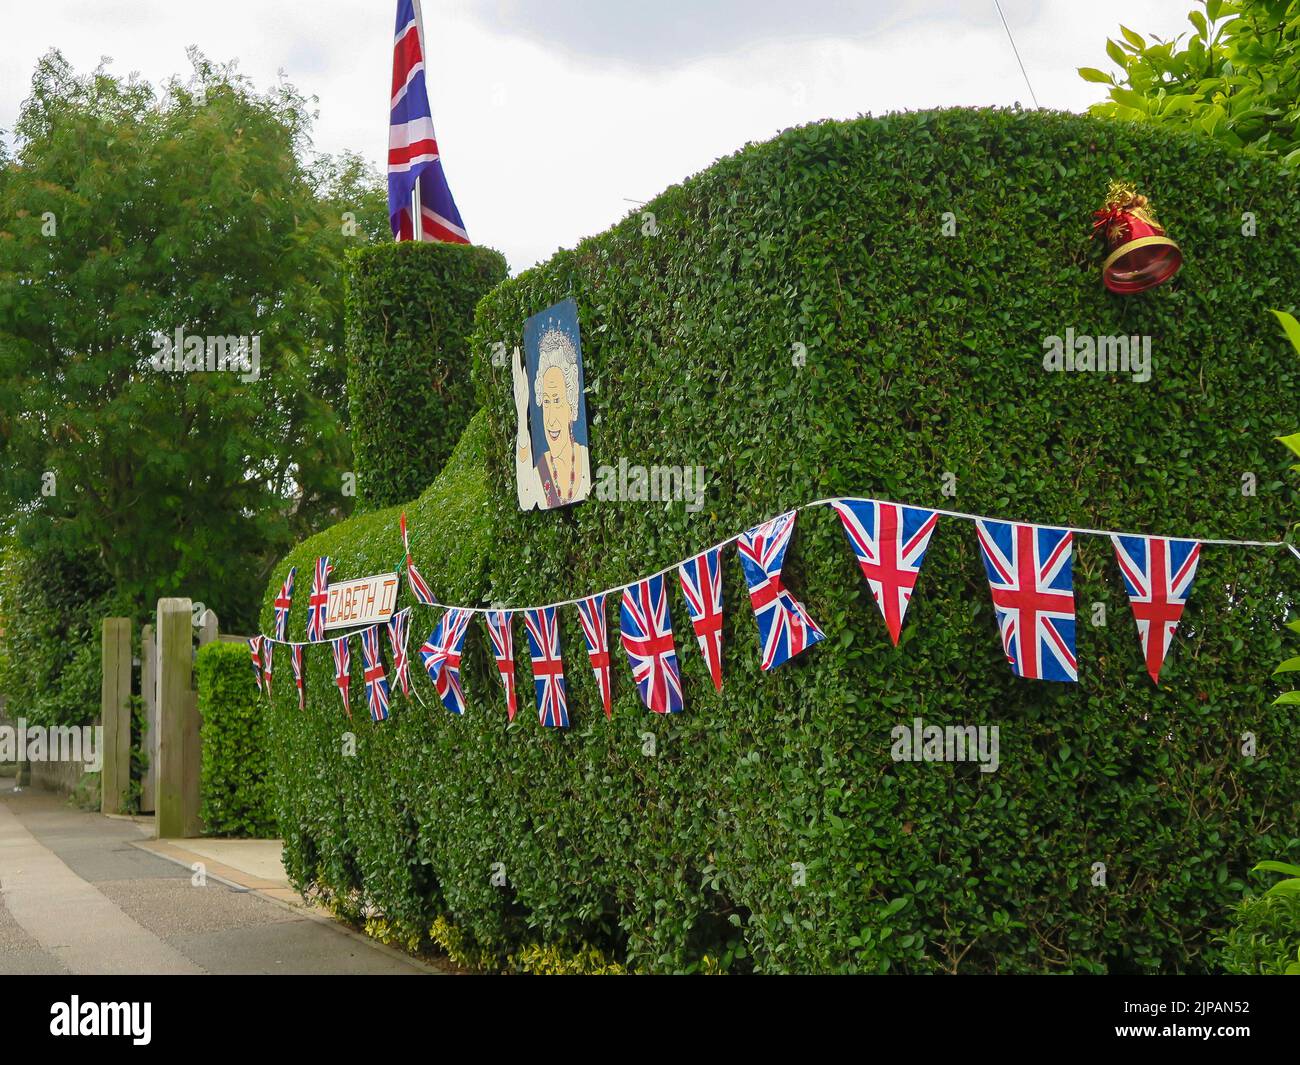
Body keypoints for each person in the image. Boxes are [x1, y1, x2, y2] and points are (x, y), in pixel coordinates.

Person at [513, 329, 591, 510]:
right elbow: (526, 499)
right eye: (546, 402)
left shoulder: (585, 459)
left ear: (571, 405)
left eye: (557, 400)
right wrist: (522, 417)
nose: (551, 420)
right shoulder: (542, 471)